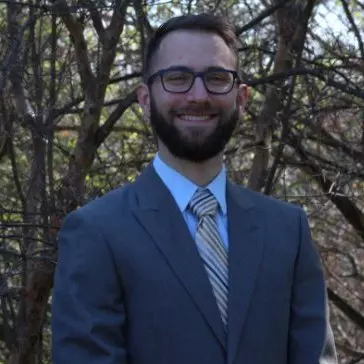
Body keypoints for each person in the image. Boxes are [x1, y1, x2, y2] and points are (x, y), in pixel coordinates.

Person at [52, 13, 337, 364]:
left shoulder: (288, 230)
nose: (198, 95)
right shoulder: (96, 233)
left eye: (217, 78)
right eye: (177, 78)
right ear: (144, 99)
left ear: (241, 98)